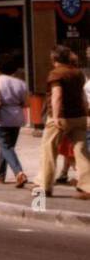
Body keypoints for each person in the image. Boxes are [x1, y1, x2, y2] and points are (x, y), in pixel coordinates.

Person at [38, 46, 90, 199]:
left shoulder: (56, 74)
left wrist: (55, 116)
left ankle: (44, 186)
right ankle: (87, 186)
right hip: (79, 117)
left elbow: (57, 95)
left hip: (62, 117)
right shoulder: (78, 73)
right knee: (81, 151)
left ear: (54, 59)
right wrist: (85, 113)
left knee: (49, 150)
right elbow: (82, 95)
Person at [0, 59, 28, 188]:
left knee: (6, 147)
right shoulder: (21, 83)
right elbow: (26, 103)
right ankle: (0, 176)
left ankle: (19, 172)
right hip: (16, 118)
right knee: (7, 147)